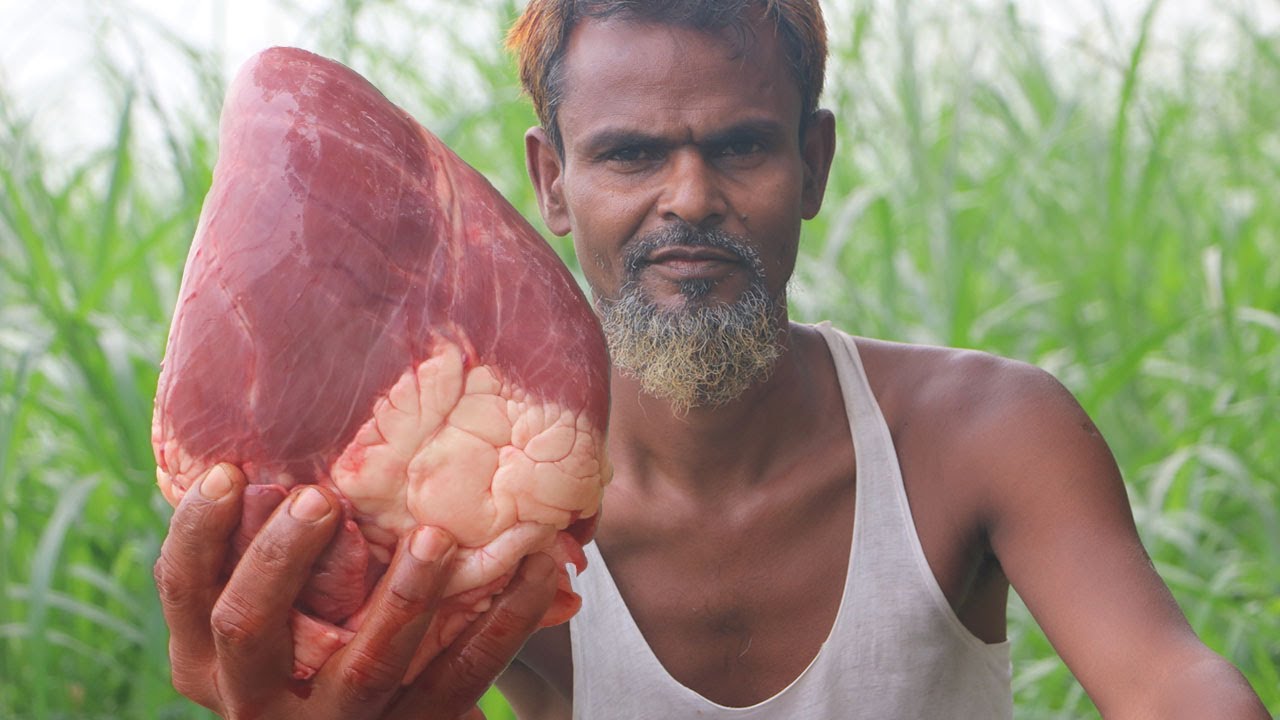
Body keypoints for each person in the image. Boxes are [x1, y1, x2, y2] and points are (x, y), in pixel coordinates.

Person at [153, 1, 1270, 718]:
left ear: (813, 162)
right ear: (550, 183)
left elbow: (1172, 685)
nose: (687, 200)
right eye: (630, 155)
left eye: (737, 146)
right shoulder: (479, 520)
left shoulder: (982, 434)